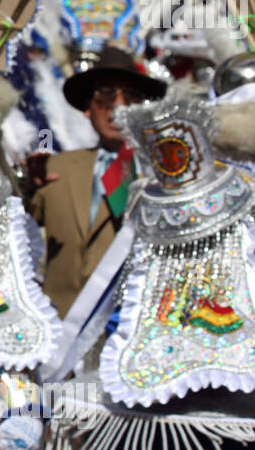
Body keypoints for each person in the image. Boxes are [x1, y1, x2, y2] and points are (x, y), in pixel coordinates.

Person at [25, 47, 166, 317]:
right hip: (59, 327)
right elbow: (19, 230)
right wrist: (23, 185)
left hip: (122, 326)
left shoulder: (157, 172)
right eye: (106, 94)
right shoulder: (55, 167)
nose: (119, 105)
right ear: (88, 108)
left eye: (132, 96)